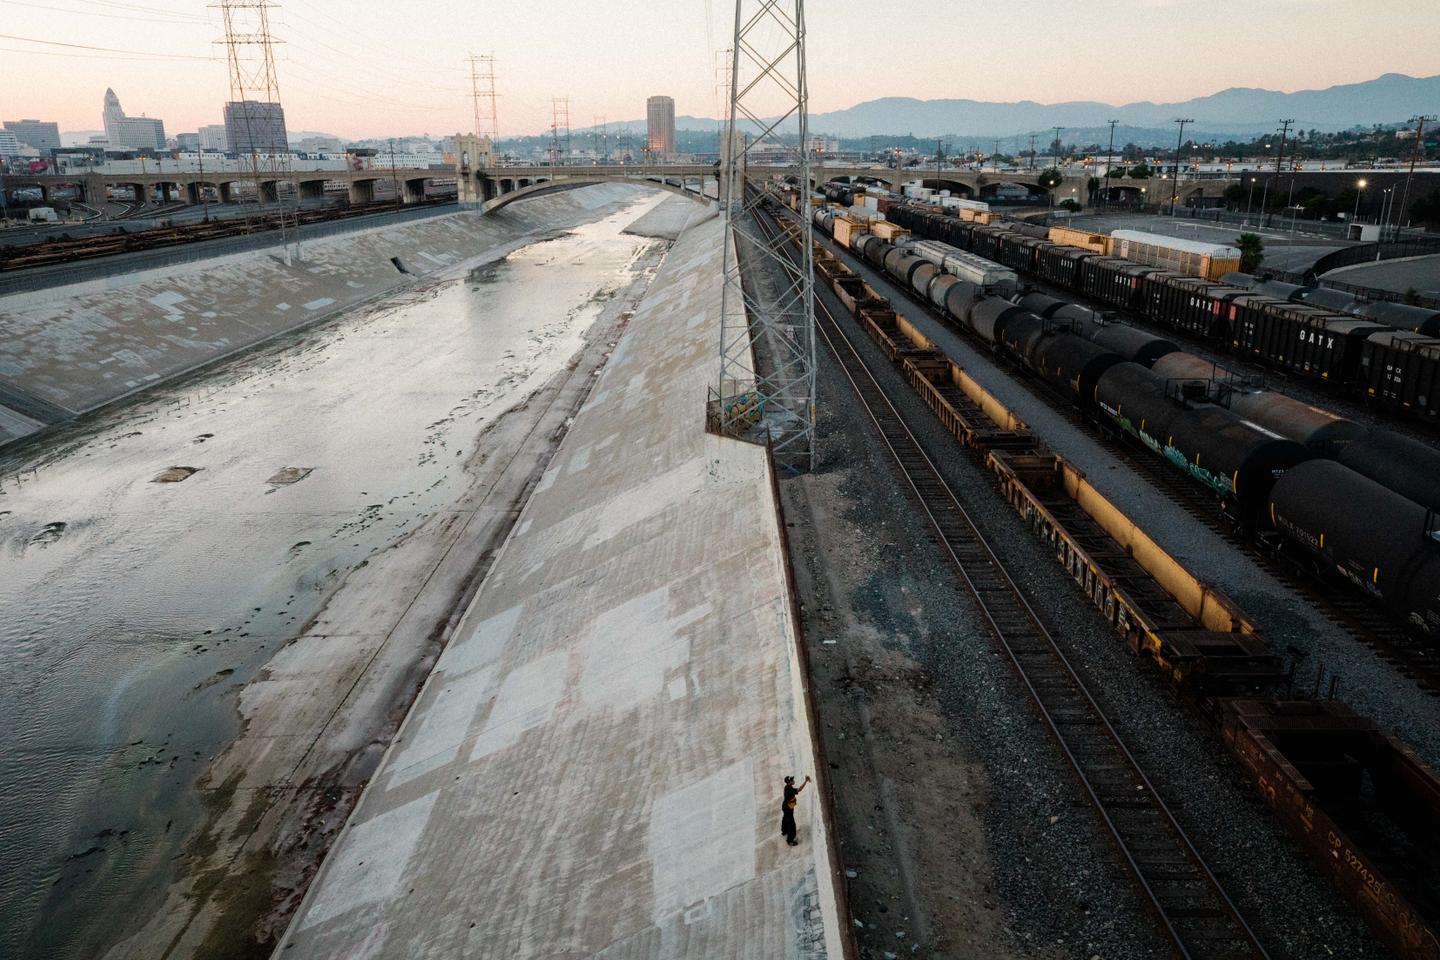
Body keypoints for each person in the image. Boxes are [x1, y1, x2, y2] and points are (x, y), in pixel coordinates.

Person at [780, 774, 810, 846]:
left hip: (785, 807)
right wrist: (805, 781)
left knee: (785, 819)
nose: (793, 780)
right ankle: (790, 840)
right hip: (788, 808)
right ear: (789, 782)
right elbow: (799, 789)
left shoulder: (787, 787)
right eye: (792, 780)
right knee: (791, 825)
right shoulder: (789, 790)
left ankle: (784, 831)